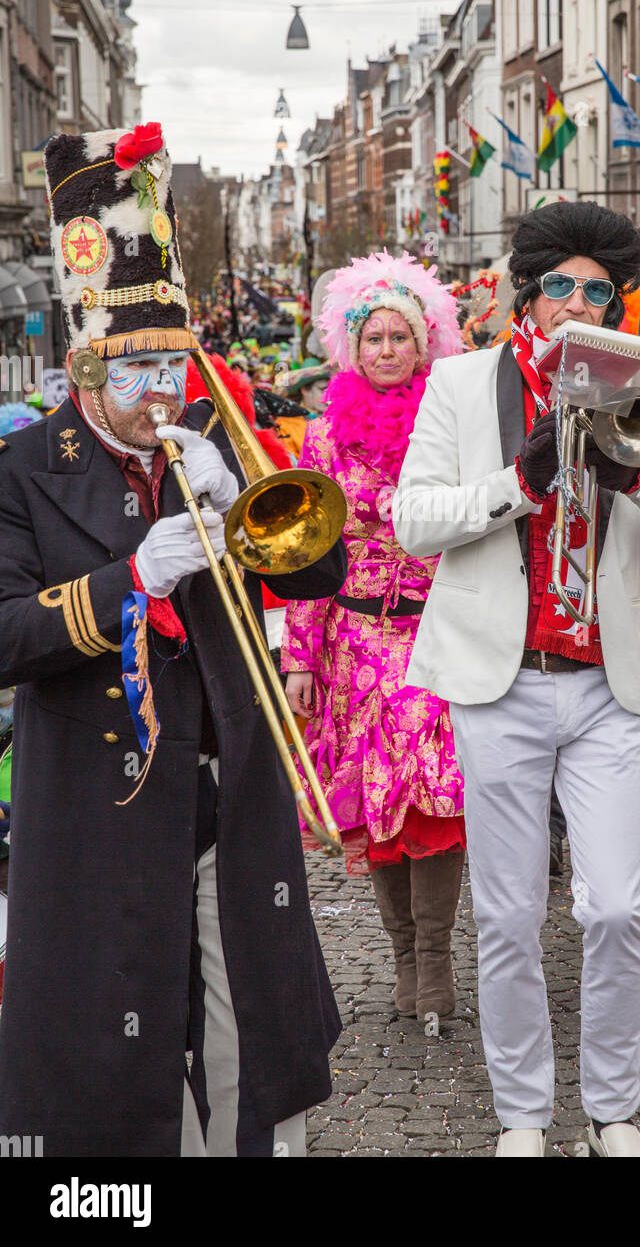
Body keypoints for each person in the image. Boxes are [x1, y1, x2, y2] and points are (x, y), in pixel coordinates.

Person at [0, 124, 347, 1157]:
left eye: (169, 359)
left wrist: (237, 496)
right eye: (134, 364)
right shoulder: (23, 468)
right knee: (119, 1042)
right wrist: (129, 579)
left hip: (225, 782)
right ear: (81, 365)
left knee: (248, 1016)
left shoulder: (215, 430)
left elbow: (321, 567)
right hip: (102, 800)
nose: (158, 385)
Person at [393, 201, 640, 1156]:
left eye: (600, 289)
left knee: (617, 906)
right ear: (529, 293)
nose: (579, 302)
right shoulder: (459, 383)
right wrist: (520, 482)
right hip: (502, 683)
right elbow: (414, 521)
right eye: (562, 286)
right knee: (507, 912)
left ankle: (612, 1112)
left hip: (609, 684)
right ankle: (525, 1117)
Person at [281, 251, 467, 1025]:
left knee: (434, 798)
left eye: (401, 337)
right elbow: (305, 554)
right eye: (374, 338)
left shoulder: (452, 423)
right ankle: (401, 961)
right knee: (379, 813)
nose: (388, 350)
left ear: (424, 346)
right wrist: (299, 659)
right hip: (353, 648)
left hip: (436, 640)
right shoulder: (324, 437)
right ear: (351, 350)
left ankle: (436, 960)